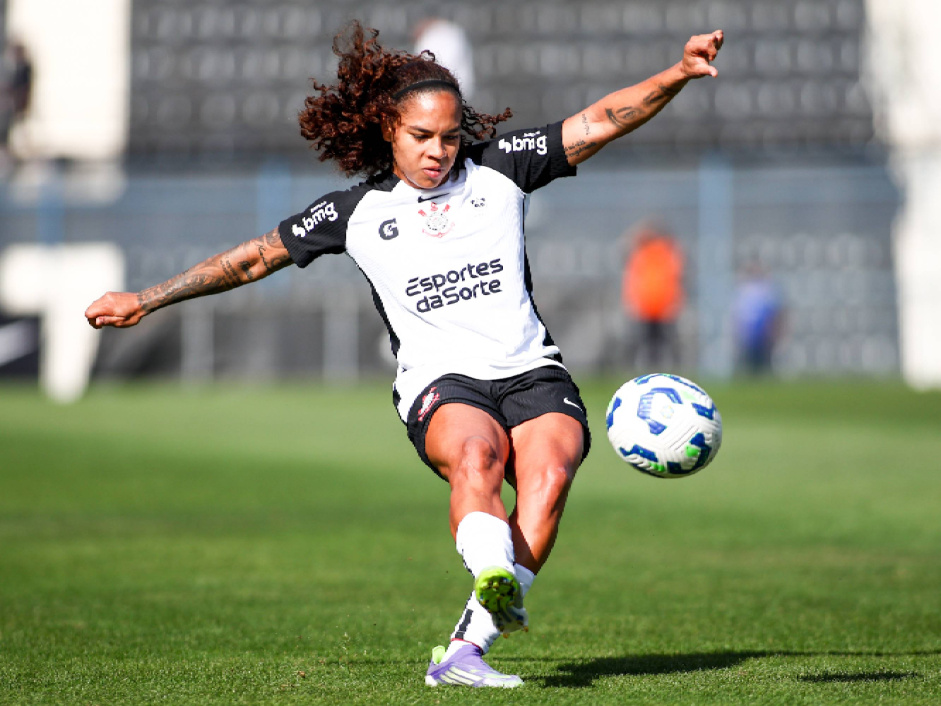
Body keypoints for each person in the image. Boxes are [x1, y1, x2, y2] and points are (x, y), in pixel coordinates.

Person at [85, 21, 724, 688]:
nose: (439, 151)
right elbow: (250, 260)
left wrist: (677, 72)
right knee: (477, 457)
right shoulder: (353, 213)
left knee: (552, 473)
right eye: (422, 136)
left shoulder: (501, 166)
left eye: (450, 136)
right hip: (442, 380)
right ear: (388, 129)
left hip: (530, 367)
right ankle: (494, 572)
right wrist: (147, 298)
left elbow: (599, 122)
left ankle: (465, 650)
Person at [622, 221, 685, 371]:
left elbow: (674, 280)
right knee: (646, 342)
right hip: (648, 306)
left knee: (665, 342)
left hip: (661, 306)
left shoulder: (665, 252)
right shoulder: (643, 254)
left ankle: (669, 370)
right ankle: (647, 369)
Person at [733, 262, 785, 375]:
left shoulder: (765, 289)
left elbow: (773, 312)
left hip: (763, 333)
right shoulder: (744, 289)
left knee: (764, 364)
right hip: (749, 334)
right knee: (749, 364)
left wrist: (773, 331)